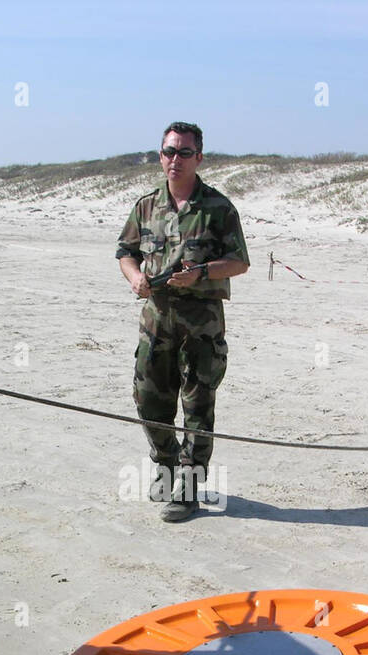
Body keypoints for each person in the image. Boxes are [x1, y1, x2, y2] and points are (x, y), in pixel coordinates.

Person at [116, 122, 249, 522]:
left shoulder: (218, 208)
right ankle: (166, 461)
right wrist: (135, 276)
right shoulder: (146, 206)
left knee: (197, 405)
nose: (175, 160)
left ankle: (189, 490)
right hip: (156, 321)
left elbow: (240, 262)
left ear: (199, 158)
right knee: (149, 400)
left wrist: (203, 272)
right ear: (161, 155)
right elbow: (125, 251)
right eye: (169, 152)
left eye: (184, 153)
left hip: (201, 327)